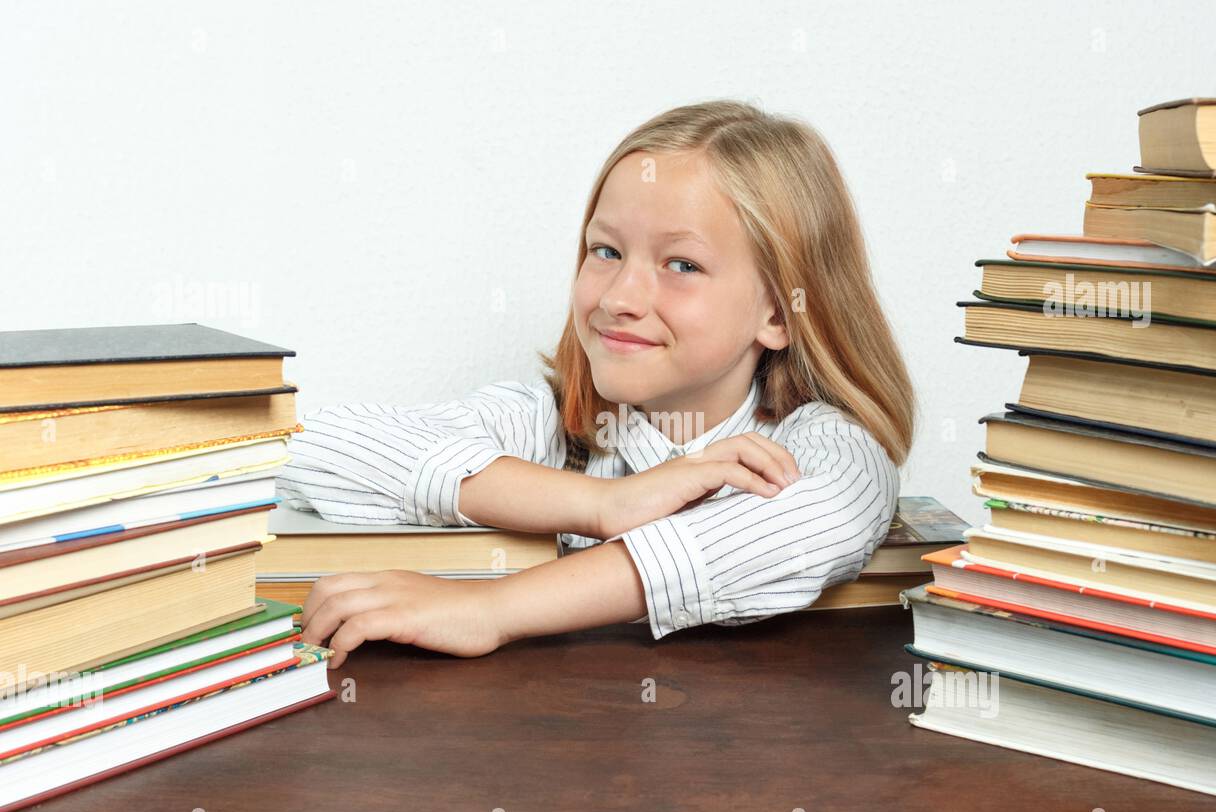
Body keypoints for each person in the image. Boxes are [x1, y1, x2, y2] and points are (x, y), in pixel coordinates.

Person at [277, 98, 915, 666]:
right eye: (606, 251)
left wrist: (490, 610)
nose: (620, 297)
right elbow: (307, 447)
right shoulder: (547, 425)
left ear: (778, 311)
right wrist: (603, 505)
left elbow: (816, 520)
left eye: (682, 264)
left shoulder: (819, 443)